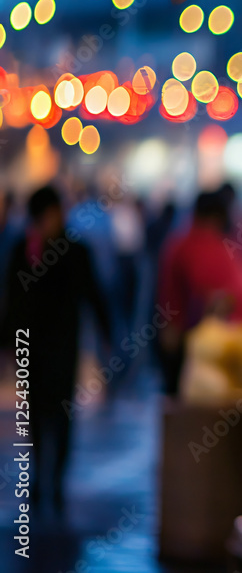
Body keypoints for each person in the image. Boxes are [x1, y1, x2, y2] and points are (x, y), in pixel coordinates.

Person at [0, 185, 112, 511]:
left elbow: (92, 292)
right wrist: (8, 340)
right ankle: (39, 474)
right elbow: (14, 298)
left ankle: (57, 479)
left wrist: (107, 332)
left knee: (61, 412)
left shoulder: (75, 250)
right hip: (32, 344)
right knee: (35, 410)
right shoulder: (24, 249)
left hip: (63, 343)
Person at [156, 192, 242, 394]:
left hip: (218, 341)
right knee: (240, 401)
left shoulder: (180, 245)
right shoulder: (230, 247)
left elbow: (171, 302)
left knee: (199, 403)